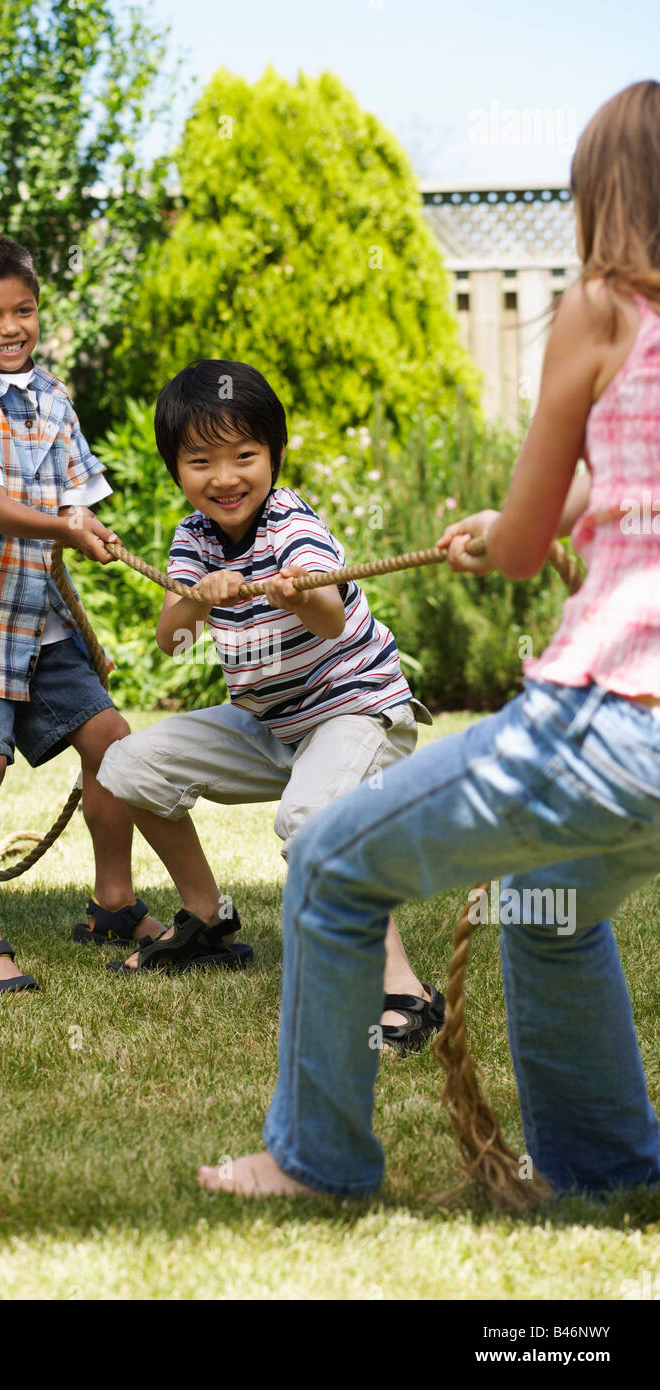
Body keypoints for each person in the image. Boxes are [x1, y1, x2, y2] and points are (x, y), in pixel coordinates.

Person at [198, 79, 660, 1198]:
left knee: (328, 864)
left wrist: (499, 538)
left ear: (599, 194)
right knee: (545, 907)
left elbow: (520, 541)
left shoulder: (603, 306)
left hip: (609, 715)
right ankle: (603, 1171)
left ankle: (315, 1160)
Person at [95, 358, 443, 1055]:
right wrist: (200, 595)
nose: (224, 477)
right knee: (128, 765)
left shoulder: (292, 521)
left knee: (310, 819)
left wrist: (297, 593)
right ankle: (207, 921)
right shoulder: (192, 538)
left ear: (275, 457)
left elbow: (332, 621)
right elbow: (173, 639)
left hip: (356, 712)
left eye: (244, 456)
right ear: (177, 470)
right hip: (271, 726)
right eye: (201, 461)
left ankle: (405, 987)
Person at [0, 234, 165, 997]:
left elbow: (74, 491)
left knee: (112, 742)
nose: (10, 328)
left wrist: (82, 521)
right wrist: (65, 527)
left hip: (38, 617)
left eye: (23, 310)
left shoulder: (51, 397)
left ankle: (113, 904)